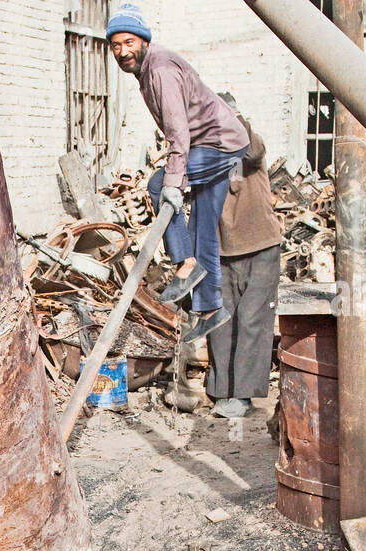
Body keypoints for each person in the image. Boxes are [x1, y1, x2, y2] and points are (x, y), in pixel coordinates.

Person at [106, 3, 249, 341]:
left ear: (143, 41)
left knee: (159, 184)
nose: (123, 51)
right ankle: (211, 308)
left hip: (218, 144)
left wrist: (173, 181)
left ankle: (185, 263)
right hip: (220, 143)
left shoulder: (159, 69)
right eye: (116, 45)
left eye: (129, 42)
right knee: (203, 228)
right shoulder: (147, 69)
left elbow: (177, 131)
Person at [206, 93, 283, 419]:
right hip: (222, 249)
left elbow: (251, 150)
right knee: (221, 320)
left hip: (261, 246)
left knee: (253, 321)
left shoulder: (250, 144)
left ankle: (244, 396)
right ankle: (221, 391)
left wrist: (232, 119)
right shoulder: (207, 153)